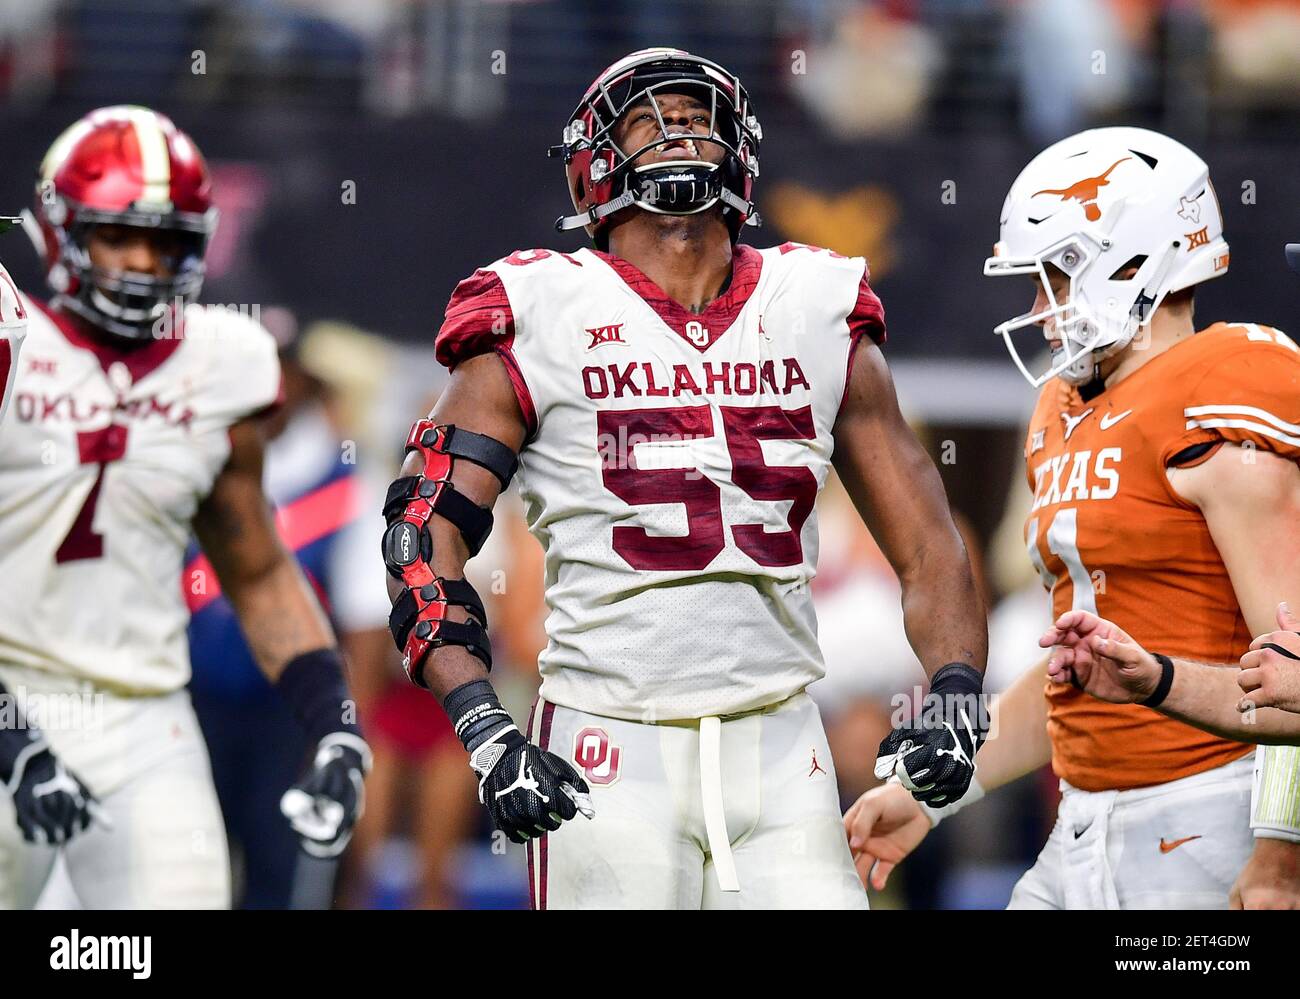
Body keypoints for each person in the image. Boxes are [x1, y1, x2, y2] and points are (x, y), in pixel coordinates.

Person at [381, 47, 987, 909]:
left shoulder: (814, 303)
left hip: (785, 741)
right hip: (609, 741)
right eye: (648, 119)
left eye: (701, 117)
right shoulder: (538, 310)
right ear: (593, 162)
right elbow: (419, 535)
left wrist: (955, 690)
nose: (682, 132)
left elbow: (930, 541)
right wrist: (483, 724)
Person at [845, 125, 1300, 909]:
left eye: (1056, 276)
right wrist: (930, 797)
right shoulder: (1062, 409)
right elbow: (1072, 687)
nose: (1041, 309)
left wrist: (1281, 853)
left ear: (1137, 262)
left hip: (1211, 809)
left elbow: (1293, 667)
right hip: (1084, 818)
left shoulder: (1223, 387)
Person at [0, 105, 369, 909]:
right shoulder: (11, 343)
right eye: (117, 236)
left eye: (163, 242)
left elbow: (259, 567)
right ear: (62, 232)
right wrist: (13, 741)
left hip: (143, 713)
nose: (140, 263)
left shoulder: (223, 363)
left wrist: (331, 719)